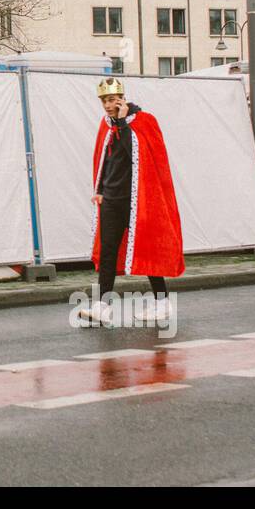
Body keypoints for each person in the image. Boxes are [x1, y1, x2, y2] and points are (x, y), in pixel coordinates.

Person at [78, 77, 185, 326]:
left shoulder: (145, 121)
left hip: (140, 200)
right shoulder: (106, 125)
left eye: (112, 100)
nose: (107, 105)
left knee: (147, 249)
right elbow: (105, 160)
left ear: (122, 99)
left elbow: (136, 153)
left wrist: (125, 123)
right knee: (107, 252)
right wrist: (101, 189)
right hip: (112, 199)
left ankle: (162, 303)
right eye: (104, 100)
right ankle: (102, 305)